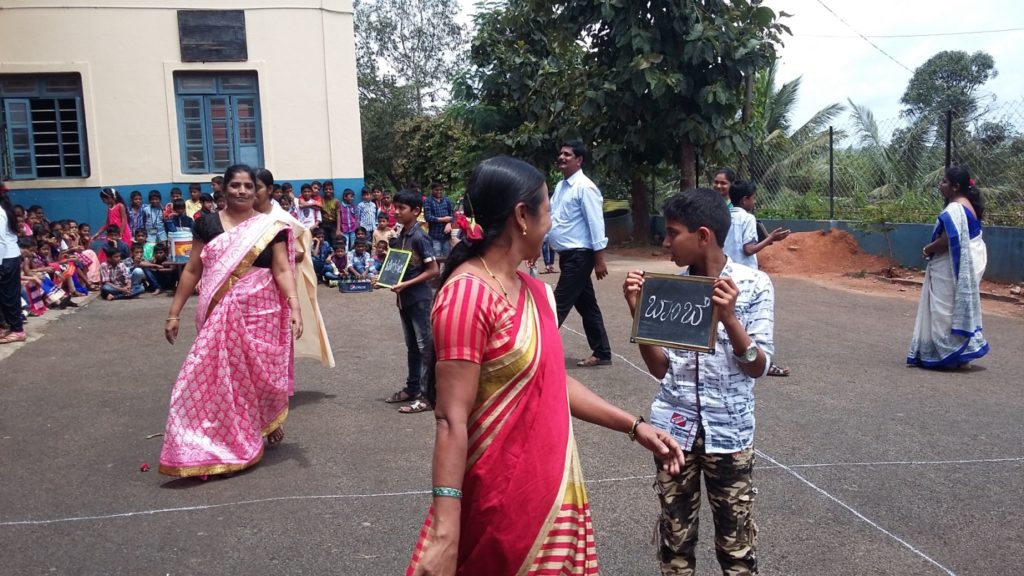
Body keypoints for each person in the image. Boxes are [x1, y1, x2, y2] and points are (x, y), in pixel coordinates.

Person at [405, 156, 684, 576]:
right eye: (549, 211)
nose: (552, 223)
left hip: (551, 499)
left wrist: (635, 426)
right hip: (497, 509)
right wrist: (446, 531)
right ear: (522, 216)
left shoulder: (536, 291)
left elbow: (551, 381)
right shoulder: (467, 295)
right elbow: (450, 419)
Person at [622, 188, 775, 576]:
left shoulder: (754, 285)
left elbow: (758, 367)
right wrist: (639, 314)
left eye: (673, 233)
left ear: (703, 235)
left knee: (737, 546)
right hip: (674, 431)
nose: (665, 242)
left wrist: (731, 319)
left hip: (730, 433)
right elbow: (661, 369)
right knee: (675, 541)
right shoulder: (671, 291)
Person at [160, 164, 304, 479]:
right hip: (218, 309)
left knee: (258, 374)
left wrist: (295, 306)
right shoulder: (207, 224)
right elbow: (193, 270)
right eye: (235, 185)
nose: (241, 191)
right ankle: (216, 443)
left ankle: (264, 422)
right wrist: (174, 312)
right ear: (223, 189)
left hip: (262, 311)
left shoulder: (271, 226)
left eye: (248, 186)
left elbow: (282, 269)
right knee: (213, 378)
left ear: (257, 191)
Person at [908, 166, 989, 369]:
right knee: (956, 306)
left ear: (955, 186)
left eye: (944, 181)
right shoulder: (966, 204)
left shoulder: (955, 208)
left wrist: (927, 249)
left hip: (951, 265)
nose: (940, 185)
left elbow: (946, 240)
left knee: (945, 309)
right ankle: (962, 355)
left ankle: (949, 353)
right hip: (972, 259)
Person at [255, 168, 336, 368]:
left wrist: (281, 256)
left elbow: (300, 252)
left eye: (255, 187)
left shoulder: (281, 218)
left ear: (269, 189)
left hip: (275, 287)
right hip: (251, 292)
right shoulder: (243, 216)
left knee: (277, 339)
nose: (247, 192)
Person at [717, 171, 791, 378]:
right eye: (753, 198)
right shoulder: (747, 218)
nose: (755, 201)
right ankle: (761, 363)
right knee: (751, 323)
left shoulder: (723, 216)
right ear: (744, 200)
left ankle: (729, 357)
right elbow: (748, 249)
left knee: (727, 319)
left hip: (724, 272)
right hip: (745, 277)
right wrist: (771, 239)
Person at [549, 140, 612, 368]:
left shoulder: (585, 187)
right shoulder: (560, 187)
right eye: (561, 153)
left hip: (580, 255)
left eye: (567, 154)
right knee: (587, 306)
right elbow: (554, 219)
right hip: (568, 256)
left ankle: (536, 350)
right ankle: (602, 352)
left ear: (579, 160)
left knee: (557, 304)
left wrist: (599, 259)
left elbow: (596, 223)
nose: (562, 157)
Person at [379, 189, 438, 414]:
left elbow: (433, 270)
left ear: (416, 211)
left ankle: (427, 396)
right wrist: (384, 279)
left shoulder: (420, 237)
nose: (396, 212)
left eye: (401, 208)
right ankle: (412, 388)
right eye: (395, 207)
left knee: (425, 348)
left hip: (419, 299)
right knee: (412, 347)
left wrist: (406, 284)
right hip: (404, 299)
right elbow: (399, 266)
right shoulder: (401, 235)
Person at [0, 185, 27, 344]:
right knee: (6, 295)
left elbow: (1, 242)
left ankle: (17, 330)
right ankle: (8, 326)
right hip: (9, 256)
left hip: (5, 258)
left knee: (8, 296)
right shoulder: (5, 210)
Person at [423, 181, 454, 260]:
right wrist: (443, 219)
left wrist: (449, 223)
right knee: (436, 257)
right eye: (436, 190)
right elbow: (428, 217)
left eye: (441, 190)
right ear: (432, 190)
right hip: (434, 236)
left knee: (448, 257)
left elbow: (452, 215)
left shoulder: (446, 200)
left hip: (446, 235)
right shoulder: (428, 201)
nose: (439, 192)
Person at [320, 181, 339, 248]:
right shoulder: (320, 201)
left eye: (330, 189)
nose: (328, 190)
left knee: (334, 241)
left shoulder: (336, 201)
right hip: (323, 225)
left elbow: (338, 215)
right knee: (325, 242)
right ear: (323, 190)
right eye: (326, 189)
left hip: (333, 224)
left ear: (333, 190)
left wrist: (338, 229)